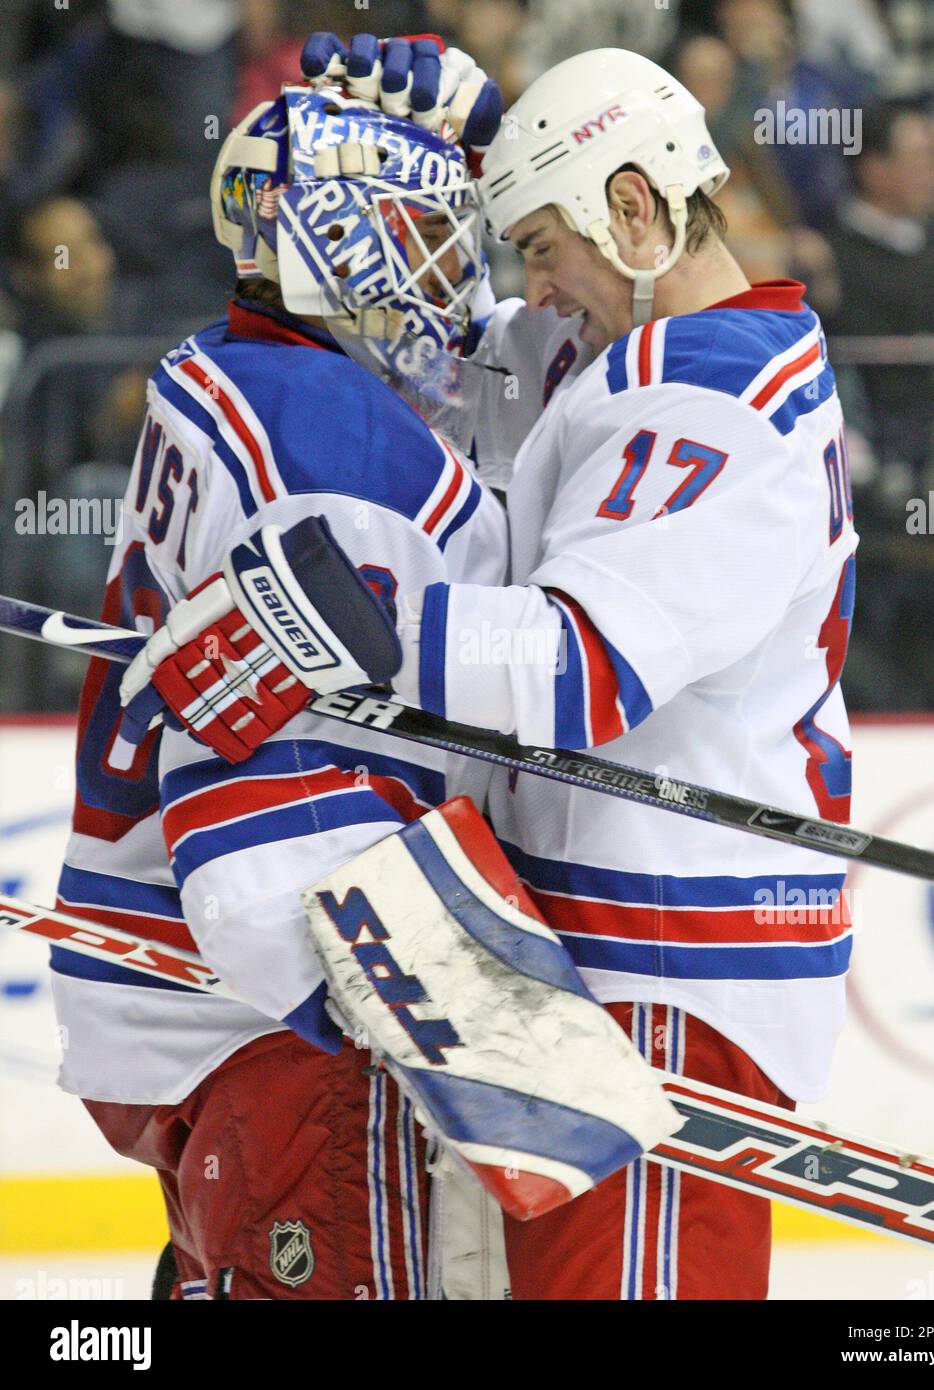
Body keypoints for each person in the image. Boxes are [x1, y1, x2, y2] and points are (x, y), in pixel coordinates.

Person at [125, 41, 858, 1301]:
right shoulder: (641, 353)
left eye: (539, 244)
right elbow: (465, 363)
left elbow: (577, 665)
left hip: (667, 971)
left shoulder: (718, 401)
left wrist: (352, 622)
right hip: (612, 956)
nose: (533, 289)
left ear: (633, 210)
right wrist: (483, 151)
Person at [51, 58, 511, 1299]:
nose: (453, 278)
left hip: (164, 983)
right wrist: (396, 1020)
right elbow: (282, 794)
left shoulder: (235, 370)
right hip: (273, 1015)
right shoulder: (338, 442)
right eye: (418, 236)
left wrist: (489, 136)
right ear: (330, 241)